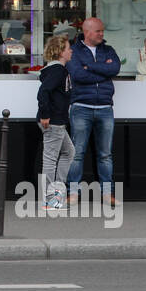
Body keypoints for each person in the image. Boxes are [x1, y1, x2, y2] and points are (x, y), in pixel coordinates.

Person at [66, 17, 121, 206]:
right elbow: (77, 75)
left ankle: (107, 194)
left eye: (102, 31)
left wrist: (90, 66)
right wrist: (102, 70)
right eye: (98, 31)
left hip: (105, 107)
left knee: (105, 154)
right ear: (87, 31)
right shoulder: (74, 50)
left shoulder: (108, 50)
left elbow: (115, 68)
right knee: (77, 152)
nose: (102, 34)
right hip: (81, 106)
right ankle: (72, 193)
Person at [36, 34, 75, 211]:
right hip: (54, 120)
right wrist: (45, 114)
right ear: (60, 52)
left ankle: (56, 194)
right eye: (68, 48)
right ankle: (50, 200)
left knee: (69, 152)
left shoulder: (55, 70)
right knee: (51, 159)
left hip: (56, 120)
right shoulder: (57, 71)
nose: (71, 51)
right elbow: (43, 92)